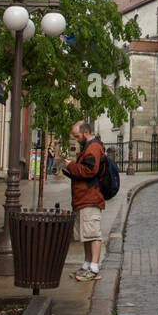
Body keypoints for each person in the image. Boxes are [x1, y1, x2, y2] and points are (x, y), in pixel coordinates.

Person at [62, 120, 106, 282]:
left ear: (86, 132)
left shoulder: (93, 147)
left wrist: (71, 166)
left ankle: (94, 268)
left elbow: (90, 171)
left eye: (77, 136)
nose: (76, 139)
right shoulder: (87, 147)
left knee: (93, 234)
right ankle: (87, 264)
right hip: (82, 198)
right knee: (85, 234)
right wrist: (69, 169)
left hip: (90, 198)